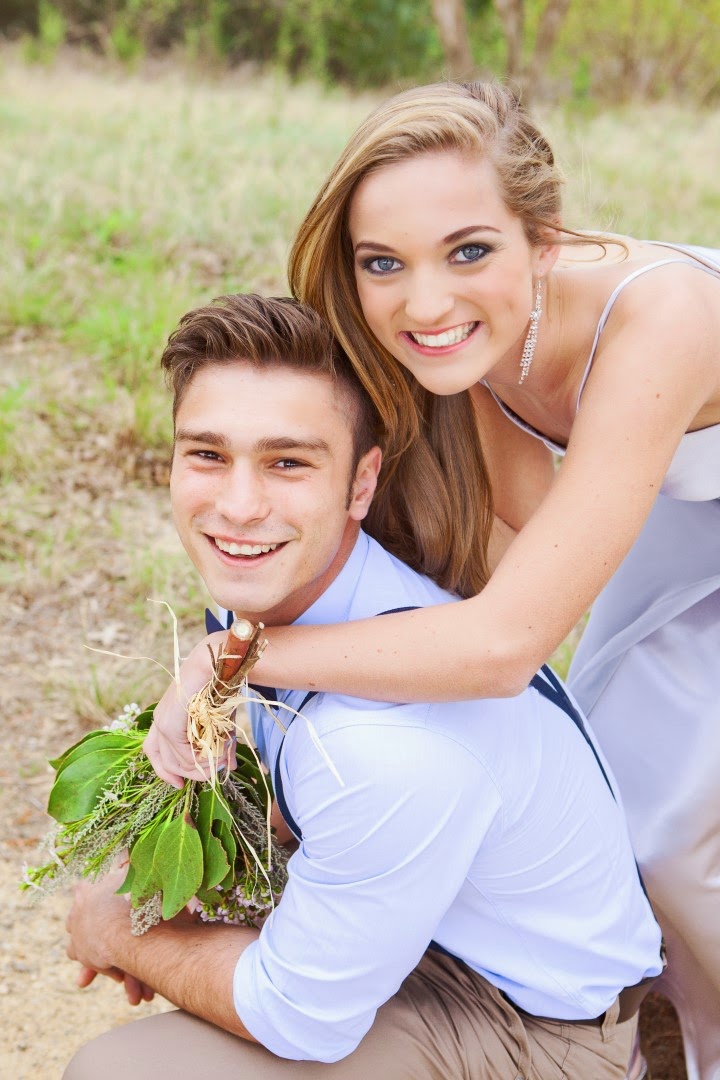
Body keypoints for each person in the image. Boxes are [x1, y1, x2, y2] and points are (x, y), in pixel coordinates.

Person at [146, 83, 720, 1080]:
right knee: (617, 783)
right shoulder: (466, 345)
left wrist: (237, 661)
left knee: (675, 834)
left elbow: (502, 649)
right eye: (383, 263)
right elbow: (501, 567)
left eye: (469, 251)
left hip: (684, 509)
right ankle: (655, 1028)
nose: (425, 302)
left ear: (544, 239)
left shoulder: (661, 316)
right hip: (685, 524)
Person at [65, 293, 663, 1080]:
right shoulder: (291, 581)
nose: (238, 508)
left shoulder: (384, 751)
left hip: (536, 1026)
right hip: (449, 930)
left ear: (361, 485)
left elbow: (298, 1017)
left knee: (125, 1074)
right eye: (207, 454)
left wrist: (121, 930)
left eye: (287, 462)